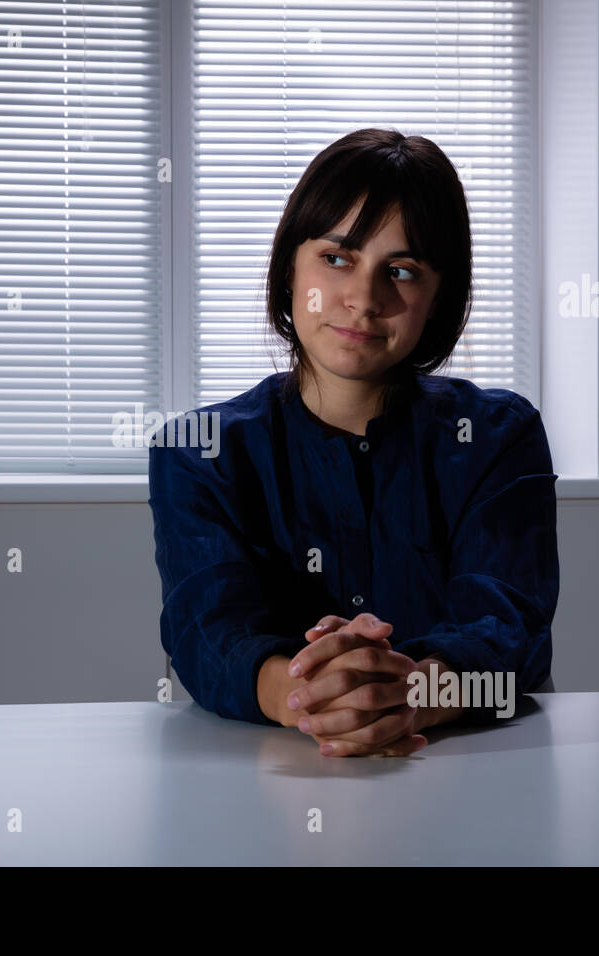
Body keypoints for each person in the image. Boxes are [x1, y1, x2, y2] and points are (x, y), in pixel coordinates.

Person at [148, 128, 559, 758]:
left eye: (401, 271)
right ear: (290, 265)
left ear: (437, 297)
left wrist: (404, 700)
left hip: (475, 773)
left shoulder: (499, 438)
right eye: (337, 258)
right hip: (258, 790)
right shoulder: (198, 452)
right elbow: (208, 634)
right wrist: (315, 702)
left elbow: (511, 635)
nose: (364, 300)